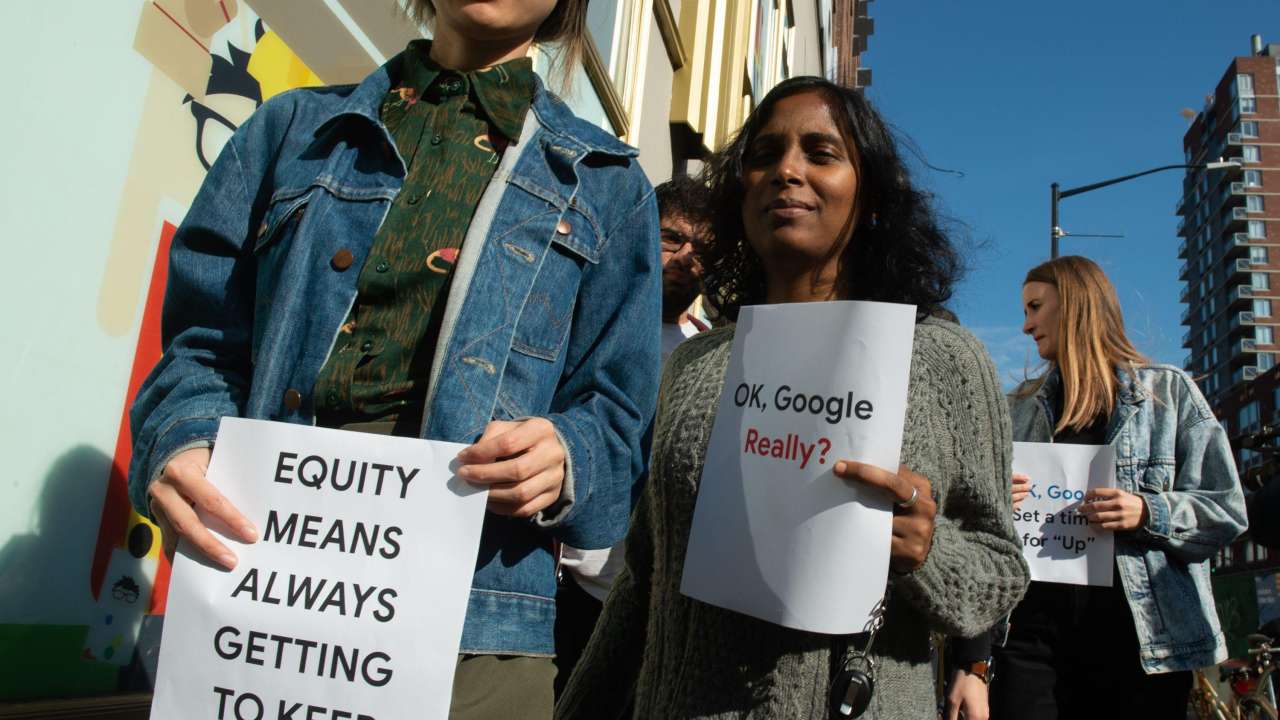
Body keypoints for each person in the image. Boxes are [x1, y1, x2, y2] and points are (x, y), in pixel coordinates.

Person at [126, 2, 662, 718]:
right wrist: (185, 438)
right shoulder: (287, 132)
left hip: (480, 622)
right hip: (264, 588)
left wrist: (566, 457)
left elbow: (619, 423)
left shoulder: (610, 184)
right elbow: (203, 342)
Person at [555, 76, 1029, 720]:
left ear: (870, 197)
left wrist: (927, 550)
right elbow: (643, 579)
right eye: (764, 154)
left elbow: (998, 572)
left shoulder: (942, 360)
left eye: (821, 153)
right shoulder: (695, 365)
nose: (787, 171)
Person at [987, 255, 1247, 719]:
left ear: (1074, 305)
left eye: (1034, 307)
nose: (1026, 326)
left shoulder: (1167, 395)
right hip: (1028, 641)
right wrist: (995, 500)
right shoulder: (1017, 408)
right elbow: (980, 524)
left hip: (1139, 646)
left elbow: (1226, 511)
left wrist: (1148, 512)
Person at [553, 174, 712, 697]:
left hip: (659, 599)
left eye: (702, 248)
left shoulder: (718, 355)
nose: (687, 257)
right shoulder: (584, 328)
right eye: (673, 239)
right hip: (570, 581)